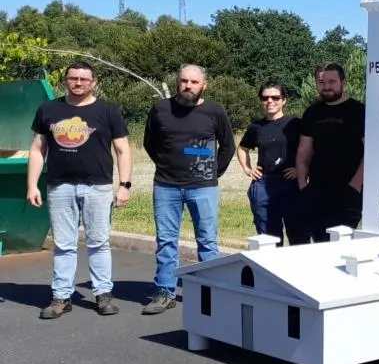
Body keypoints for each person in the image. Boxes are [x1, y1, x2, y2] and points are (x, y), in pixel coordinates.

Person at [26, 61, 132, 319]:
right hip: (60, 186)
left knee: (99, 243)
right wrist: (32, 185)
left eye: (84, 79)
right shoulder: (49, 109)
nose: (78, 83)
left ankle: (103, 295)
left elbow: (123, 150)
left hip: (98, 187)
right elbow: (38, 149)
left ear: (93, 82)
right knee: (63, 245)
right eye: (73, 78)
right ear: (66, 80)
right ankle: (61, 297)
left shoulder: (107, 111)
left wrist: (124, 185)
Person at [142, 64, 236, 315]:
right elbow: (149, 142)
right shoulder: (161, 109)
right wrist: (166, 165)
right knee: (165, 241)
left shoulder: (214, 111)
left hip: (203, 188)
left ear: (203, 85)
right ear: (177, 82)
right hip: (166, 186)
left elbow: (228, 146)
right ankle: (165, 291)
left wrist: (214, 172)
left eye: (194, 82)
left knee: (207, 241)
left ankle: (211, 291)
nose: (188, 86)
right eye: (184, 81)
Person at [296, 63, 365, 241]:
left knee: (341, 246)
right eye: (322, 82)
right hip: (317, 191)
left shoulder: (359, 111)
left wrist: (355, 186)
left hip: (348, 191)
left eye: (332, 82)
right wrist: (303, 186)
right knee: (320, 243)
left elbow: (370, 152)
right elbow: (304, 151)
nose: (326, 87)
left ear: (343, 83)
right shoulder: (312, 113)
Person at [237, 81, 305, 244]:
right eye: (265, 98)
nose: (270, 101)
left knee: (299, 237)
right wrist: (248, 169)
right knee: (268, 241)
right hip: (263, 184)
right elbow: (242, 148)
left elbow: (310, 150)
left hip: (291, 185)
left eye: (275, 97)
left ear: (284, 100)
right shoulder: (256, 127)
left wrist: (301, 170)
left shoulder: (296, 124)